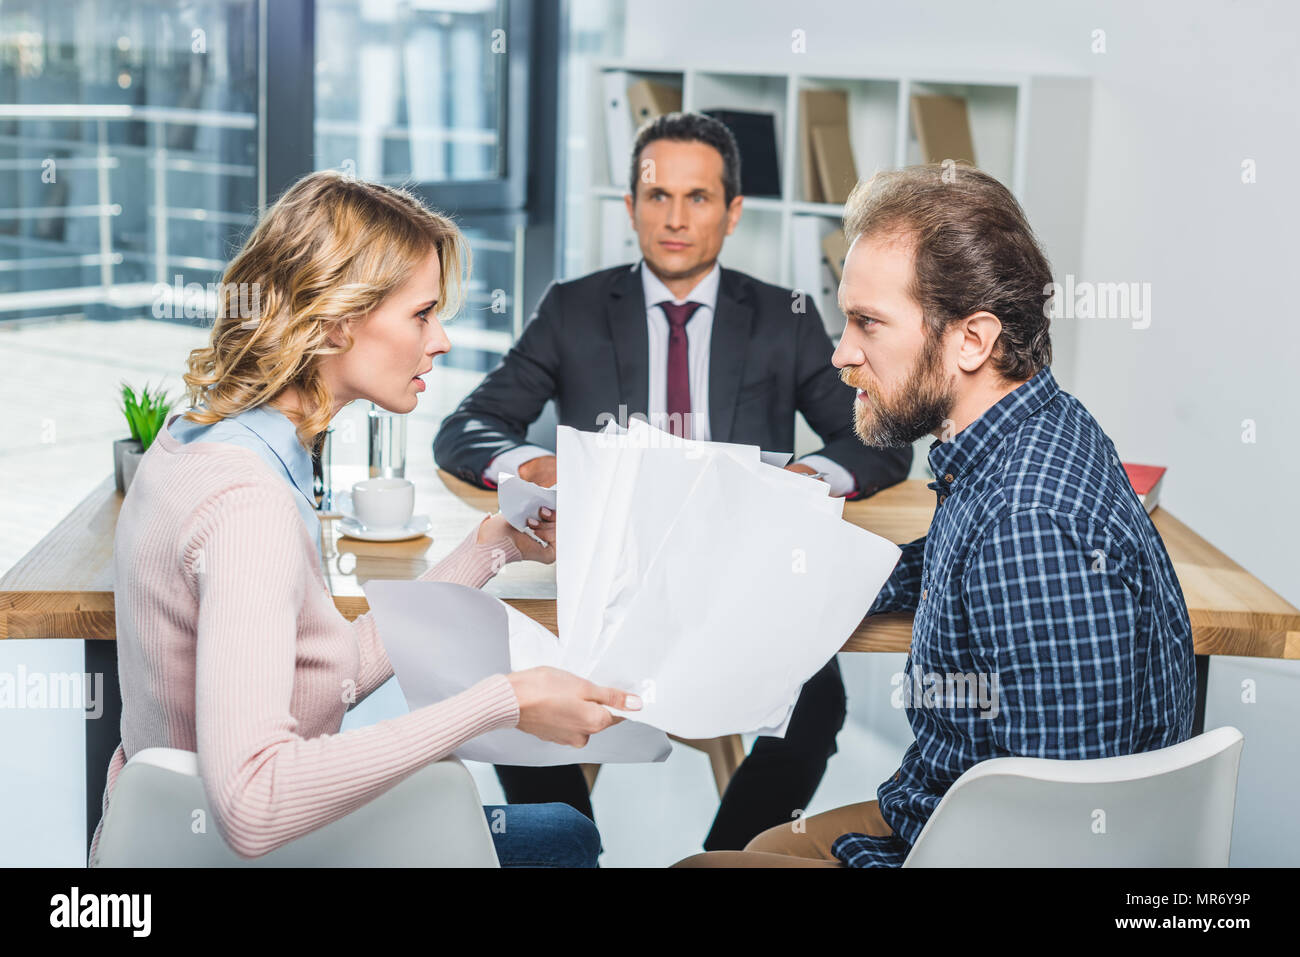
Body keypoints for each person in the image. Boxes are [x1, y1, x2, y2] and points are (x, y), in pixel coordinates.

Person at [89, 171, 643, 868]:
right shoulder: (248, 504)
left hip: (156, 847)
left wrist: (494, 547)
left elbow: (329, 671)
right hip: (242, 854)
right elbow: (254, 803)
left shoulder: (192, 442)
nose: (440, 340)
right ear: (335, 319)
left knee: (561, 831)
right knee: (565, 839)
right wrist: (500, 701)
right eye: (422, 313)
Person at [675, 164, 1196, 867]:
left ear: (972, 340)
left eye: (868, 324)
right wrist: (812, 576)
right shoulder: (1027, 428)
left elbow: (1058, 833)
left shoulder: (1030, 524)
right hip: (942, 804)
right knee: (767, 842)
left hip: (984, 841)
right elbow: (949, 559)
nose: (841, 354)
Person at [434, 112, 912, 851]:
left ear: (732, 212)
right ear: (630, 208)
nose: (677, 217)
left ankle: (721, 862)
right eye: (658, 196)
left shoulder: (783, 317)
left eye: (699, 197)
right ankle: (570, 851)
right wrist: (522, 463)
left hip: (740, 581)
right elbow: (467, 425)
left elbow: (875, 439)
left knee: (816, 710)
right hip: (605, 585)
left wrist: (799, 477)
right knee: (509, 697)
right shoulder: (575, 308)